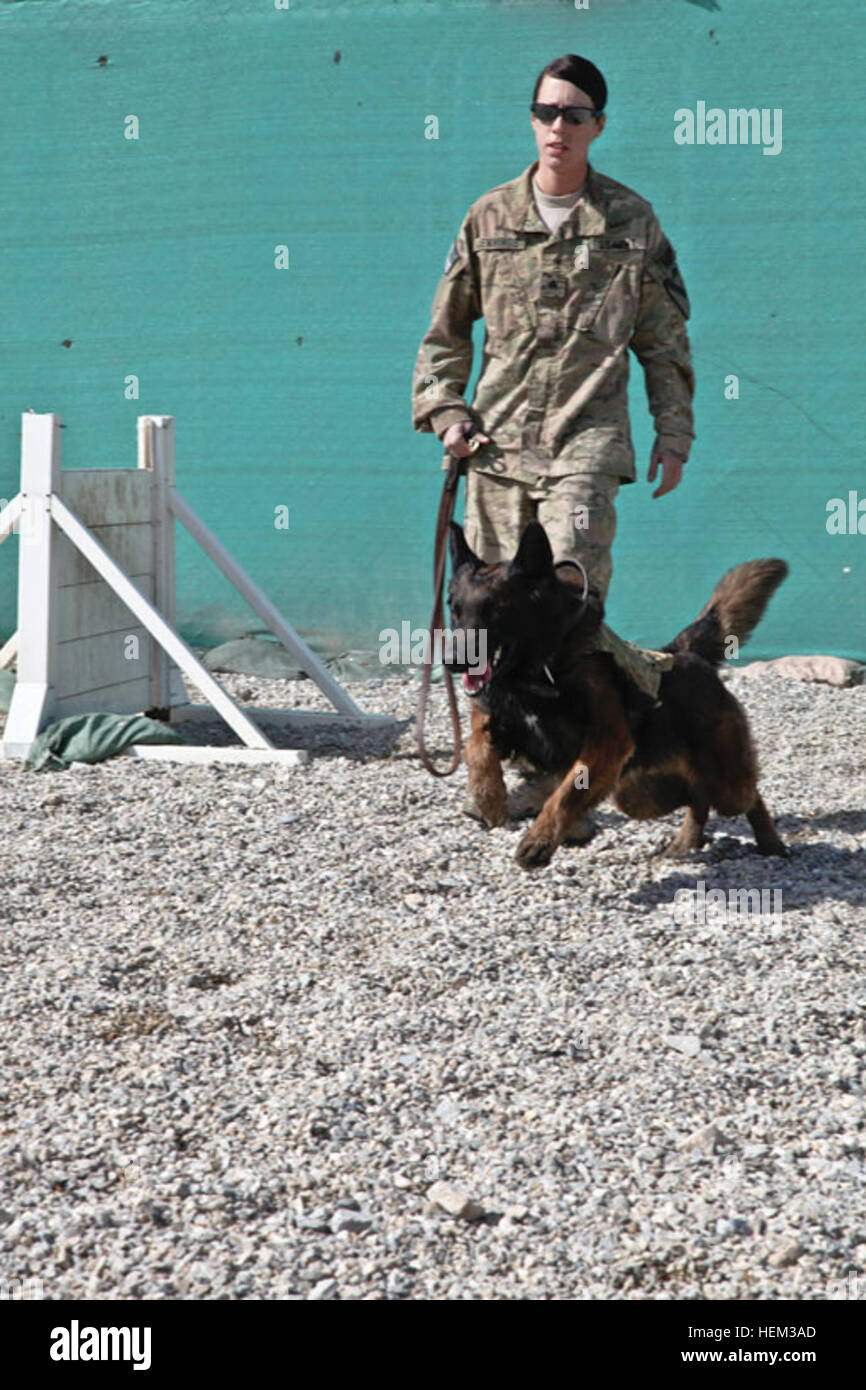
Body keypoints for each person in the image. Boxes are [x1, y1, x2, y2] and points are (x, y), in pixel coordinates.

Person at [411, 53, 695, 824]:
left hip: (586, 444)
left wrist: (674, 432)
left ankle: (575, 763)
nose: (557, 127)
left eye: (574, 114)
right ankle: (487, 760)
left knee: (569, 599)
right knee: (482, 612)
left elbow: (664, 342)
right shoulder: (489, 218)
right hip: (497, 448)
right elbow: (444, 338)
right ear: (531, 120)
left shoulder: (633, 223)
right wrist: (447, 411)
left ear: (599, 125)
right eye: (545, 112)